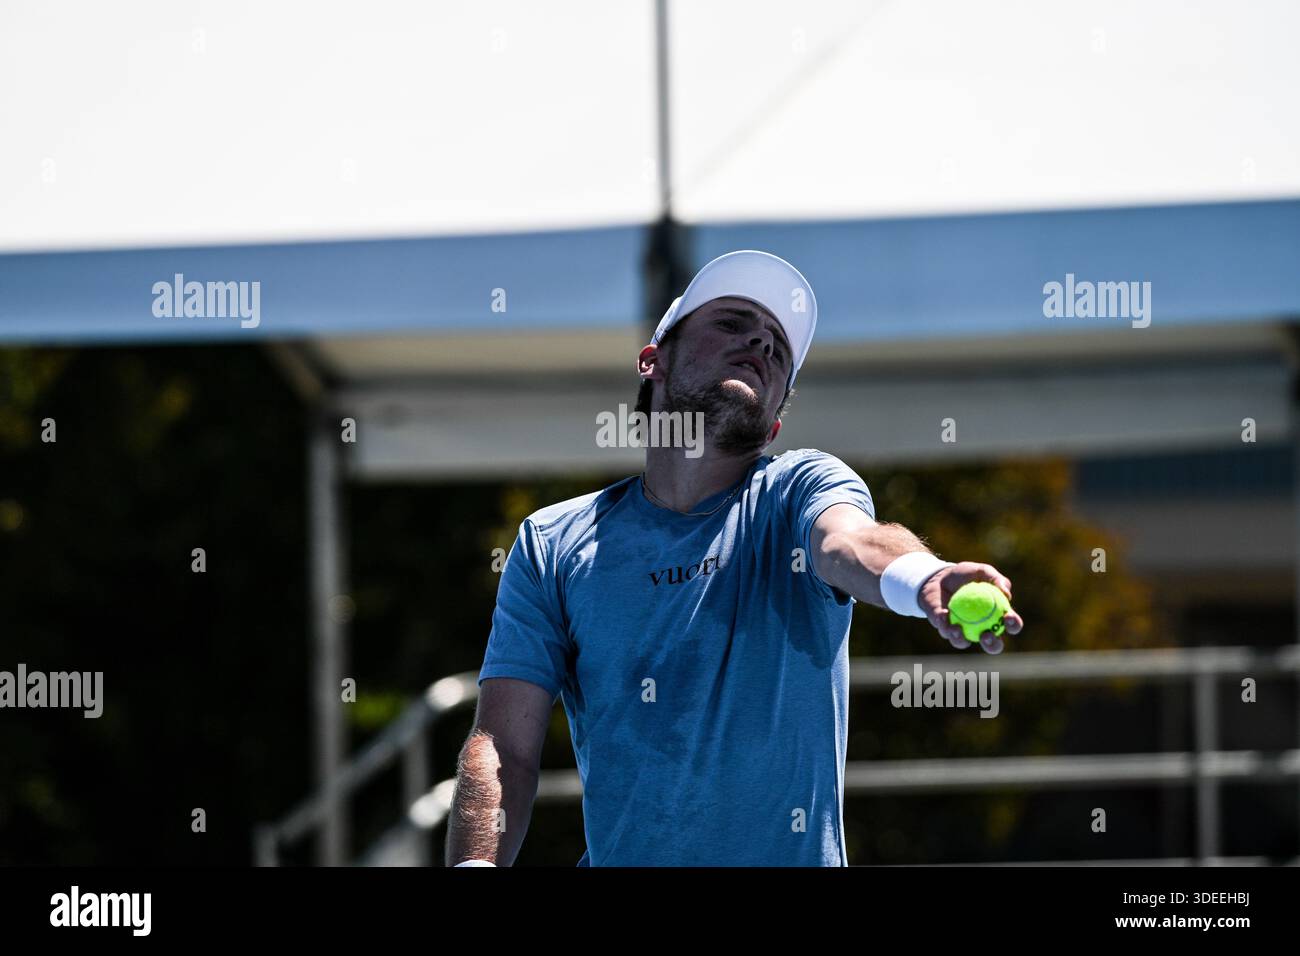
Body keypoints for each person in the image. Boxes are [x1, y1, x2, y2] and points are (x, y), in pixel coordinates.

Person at [446, 250, 1024, 866]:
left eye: (777, 347)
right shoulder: (551, 542)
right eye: (731, 321)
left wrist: (923, 576)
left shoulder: (802, 486)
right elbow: (504, 745)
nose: (759, 340)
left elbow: (849, 542)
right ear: (653, 360)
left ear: (774, 423)